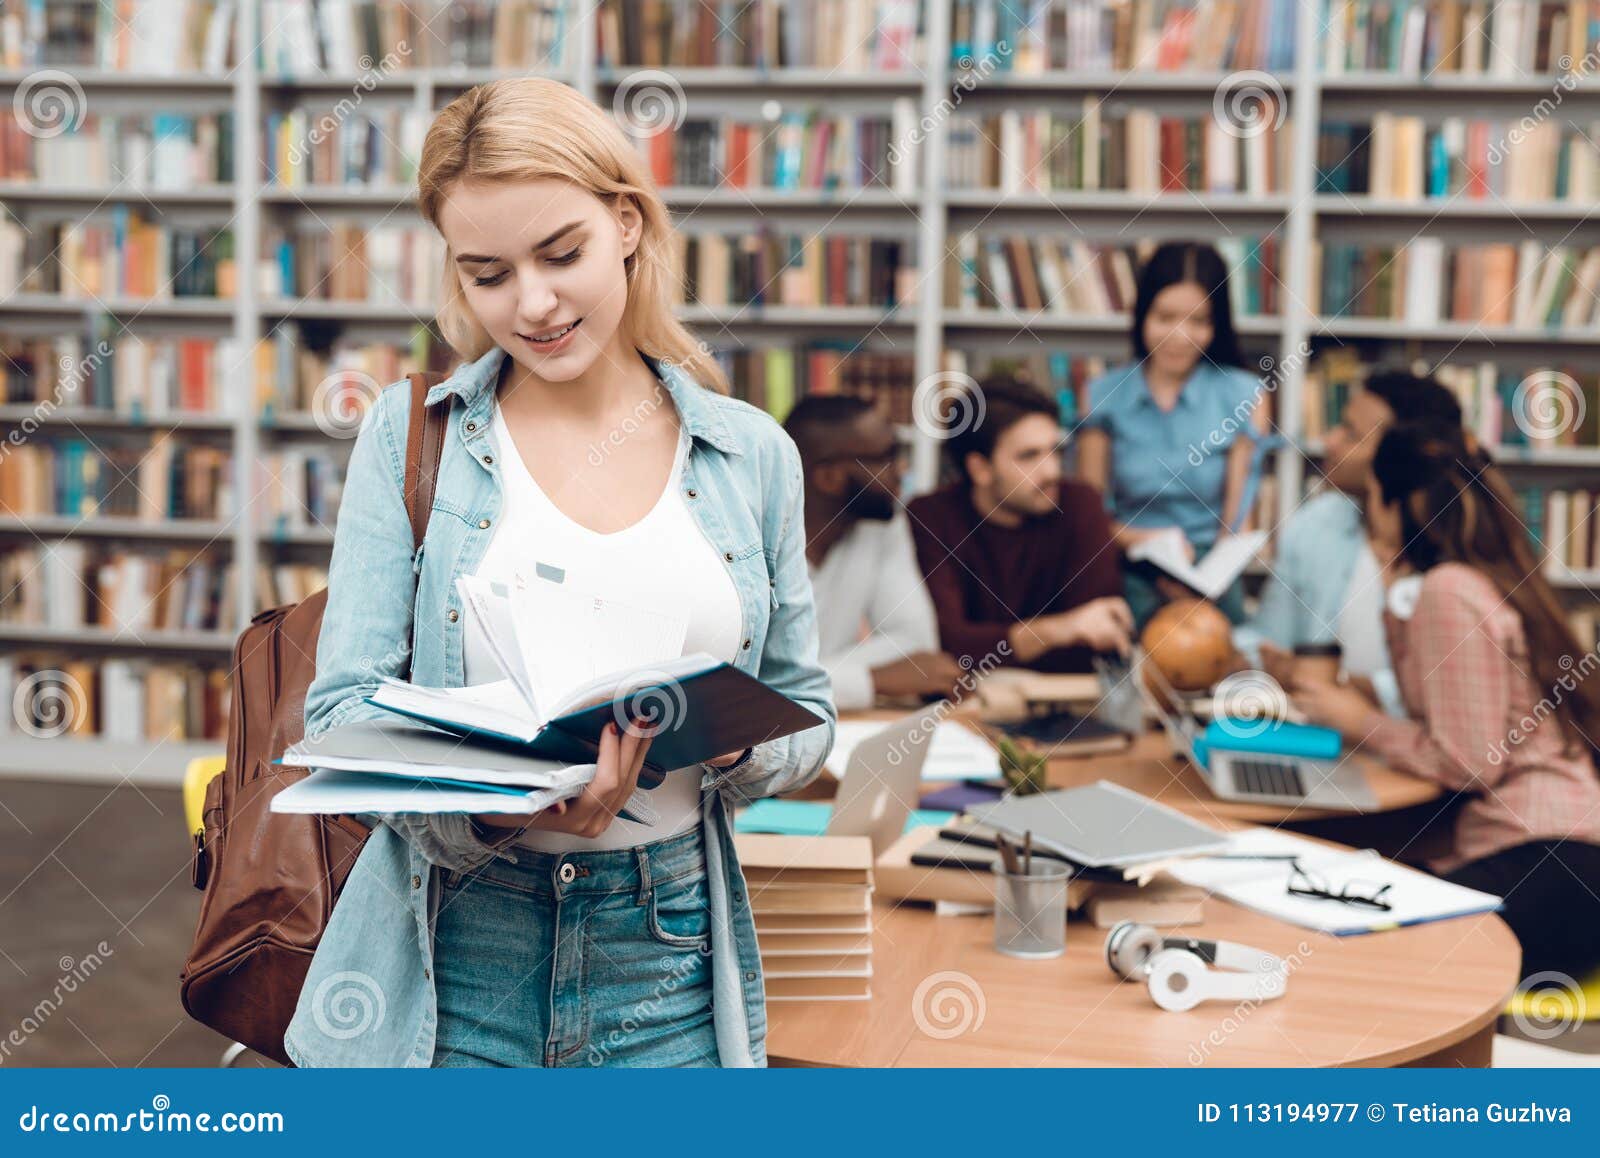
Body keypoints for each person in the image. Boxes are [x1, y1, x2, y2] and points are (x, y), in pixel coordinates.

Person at [286, 78, 835, 1068]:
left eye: (561, 254)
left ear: (626, 222)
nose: (532, 305)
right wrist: (491, 805)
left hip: (668, 951)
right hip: (458, 953)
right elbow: (339, 713)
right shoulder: (413, 439)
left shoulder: (750, 453)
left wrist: (726, 744)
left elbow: (806, 708)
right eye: (488, 274)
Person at [1295, 426, 1600, 981]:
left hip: (1543, 859)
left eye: (1372, 499)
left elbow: (1471, 763)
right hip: (1567, 860)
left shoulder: (1449, 589)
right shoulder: (1492, 579)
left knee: (1341, 941)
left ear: (1396, 505)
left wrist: (1355, 720)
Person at [1237, 369, 1466, 715]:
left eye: (1351, 434)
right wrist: (1237, 652)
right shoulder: (1316, 520)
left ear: (1402, 454)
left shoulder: (1459, 555)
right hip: (1316, 734)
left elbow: (1454, 684)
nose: (1329, 441)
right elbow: (1268, 636)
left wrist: (1343, 685)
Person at [1076, 241, 1267, 626]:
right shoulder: (1102, 394)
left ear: (1218, 324)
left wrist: (1199, 579)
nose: (1180, 337)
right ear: (1141, 315)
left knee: (1224, 647)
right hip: (1130, 559)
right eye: (1165, 318)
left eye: (1199, 321)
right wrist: (1143, 541)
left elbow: (1237, 522)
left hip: (1209, 570)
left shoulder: (1246, 395)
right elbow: (1087, 516)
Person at [906, 373, 1133, 671]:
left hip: (1066, 693)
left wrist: (1006, 642)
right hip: (963, 694)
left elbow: (1099, 635)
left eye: (1055, 451)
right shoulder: (931, 517)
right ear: (980, 469)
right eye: (1029, 456)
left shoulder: (1080, 504)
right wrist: (1059, 630)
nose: (1052, 471)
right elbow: (943, 644)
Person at [783, 395, 962, 710]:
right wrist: (872, 680)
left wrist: (813, 681)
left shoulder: (883, 524)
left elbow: (916, 646)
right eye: (887, 457)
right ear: (829, 477)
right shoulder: (749, 544)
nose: (902, 469)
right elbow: (751, 687)